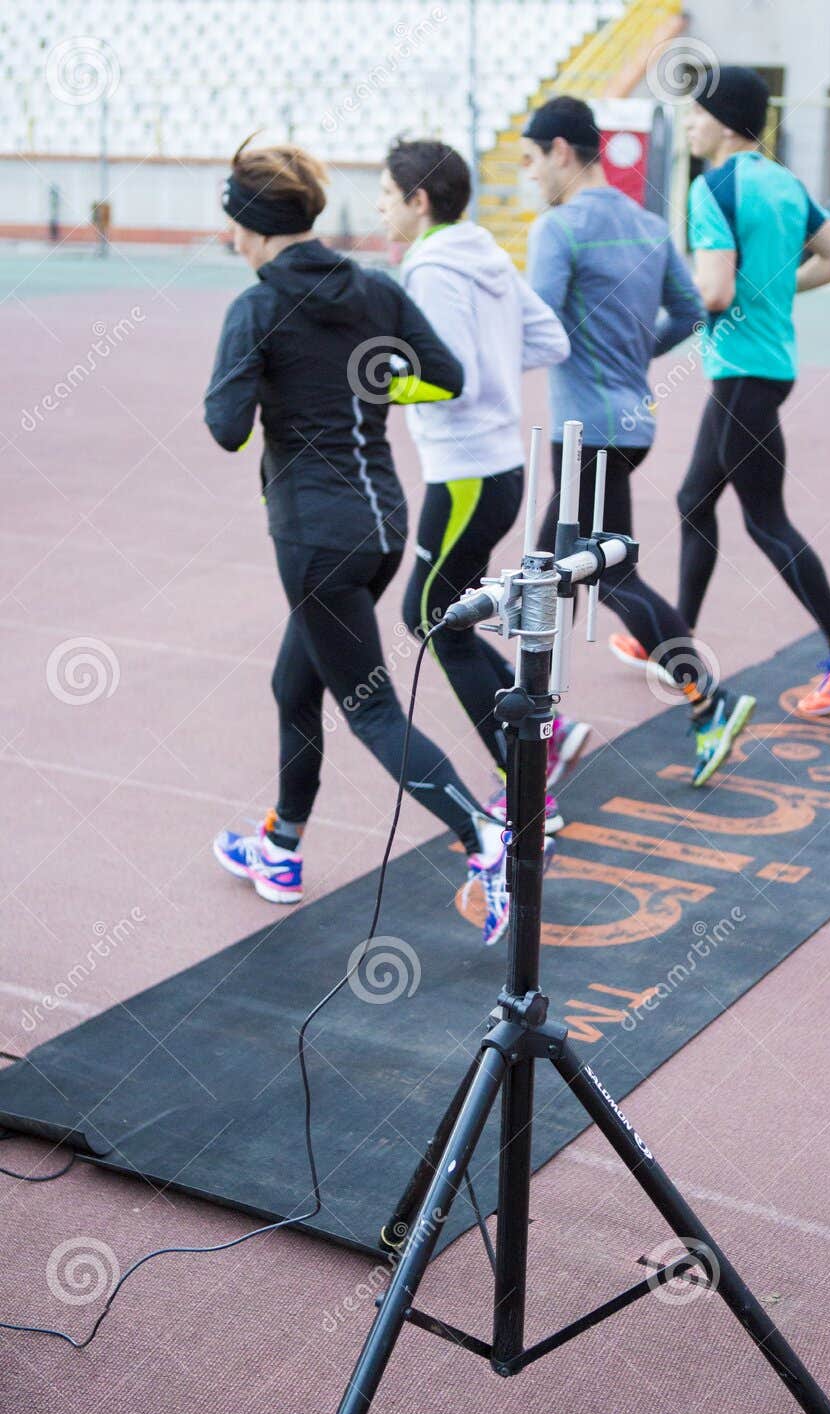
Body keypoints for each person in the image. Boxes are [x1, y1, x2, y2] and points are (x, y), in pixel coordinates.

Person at [204, 138, 513, 943]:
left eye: (233, 227)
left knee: (369, 707)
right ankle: (280, 846)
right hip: (381, 525)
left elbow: (225, 428)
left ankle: (483, 838)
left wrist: (263, 373)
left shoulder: (258, 307)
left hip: (315, 537)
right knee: (292, 683)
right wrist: (367, 379)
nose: (229, 241)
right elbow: (442, 374)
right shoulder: (373, 289)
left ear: (254, 227)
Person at [522, 95, 755, 785]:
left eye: (533, 161)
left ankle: (708, 699)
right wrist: (629, 354)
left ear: (561, 151)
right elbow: (691, 312)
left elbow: (538, 331)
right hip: (627, 423)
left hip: (585, 430)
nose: (530, 176)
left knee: (607, 573)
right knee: (542, 571)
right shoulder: (649, 225)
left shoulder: (557, 229)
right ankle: (538, 724)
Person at [377, 138, 587, 833]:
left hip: (465, 468)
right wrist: (496, 373)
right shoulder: (486, 255)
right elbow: (548, 341)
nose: (380, 207)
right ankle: (538, 738)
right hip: (496, 464)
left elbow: (449, 374)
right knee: (442, 617)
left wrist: (381, 384)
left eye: (386, 193)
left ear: (418, 200)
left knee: (432, 618)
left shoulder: (432, 268)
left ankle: (527, 776)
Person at [675, 66, 830, 717]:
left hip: (742, 372)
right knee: (693, 500)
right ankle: (673, 642)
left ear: (723, 121)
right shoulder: (786, 184)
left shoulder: (713, 188)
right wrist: (774, 289)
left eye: (694, 113)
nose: (687, 123)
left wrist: (679, 300)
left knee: (765, 522)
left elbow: (711, 292)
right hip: (762, 368)